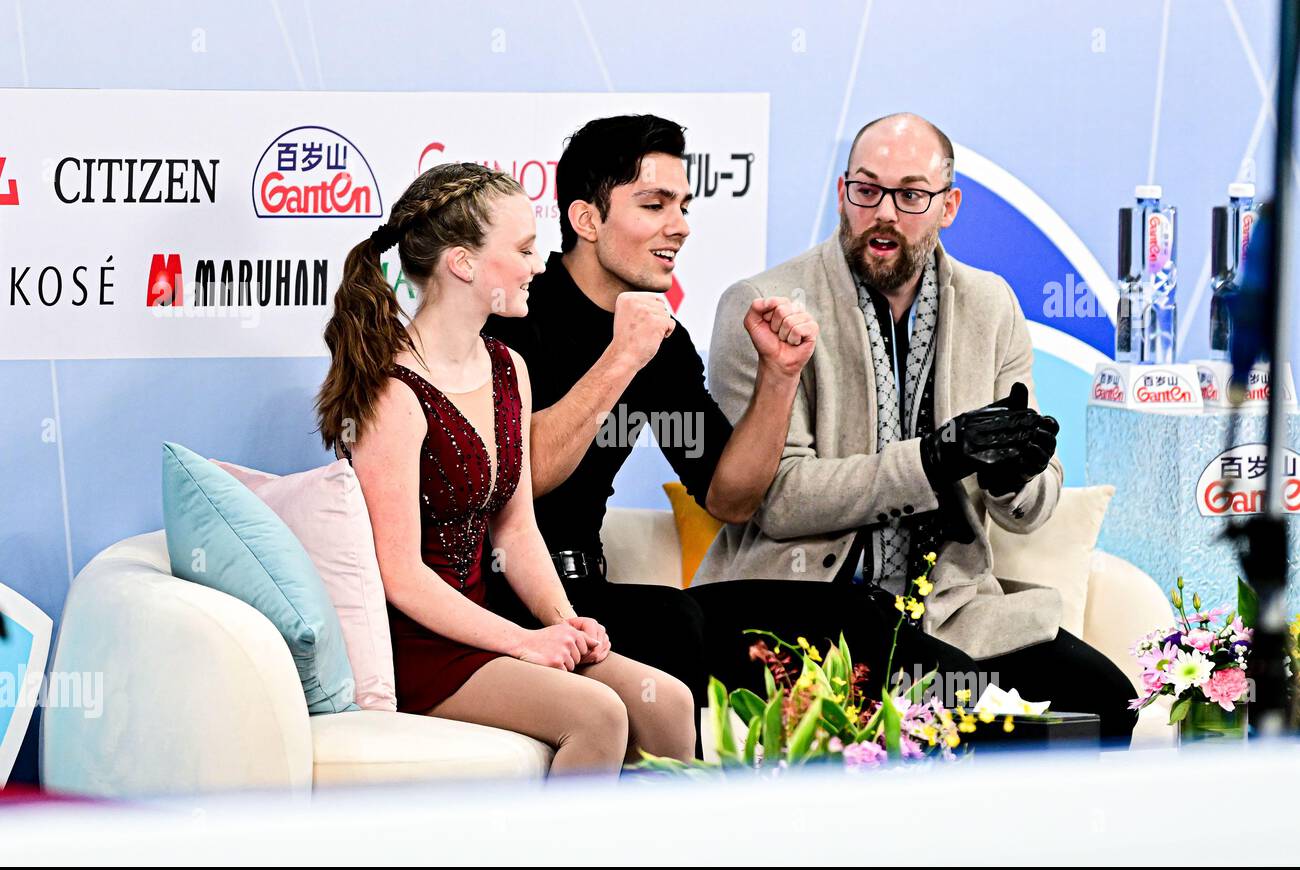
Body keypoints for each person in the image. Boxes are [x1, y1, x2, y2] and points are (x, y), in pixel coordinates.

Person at [690, 113, 1138, 747]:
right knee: (960, 705)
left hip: (950, 608)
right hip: (805, 600)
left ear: (948, 206)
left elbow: (1030, 510)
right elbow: (777, 501)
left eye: (910, 195)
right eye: (867, 190)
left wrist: (1015, 475)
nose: (885, 213)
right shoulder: (765, 304)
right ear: (842, 192)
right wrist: (932, 459)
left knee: (1107, 702)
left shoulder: (992, 305)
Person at [314, 162, 696, 775]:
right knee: (598, 715)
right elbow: (401, 574)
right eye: (522, 249)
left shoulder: (506, 367)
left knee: (670, 705)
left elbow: (516, 530)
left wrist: (565, 621)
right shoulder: (392, 393)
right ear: (463, 264)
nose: (538, 265)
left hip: (488, 623)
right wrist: (523, 642)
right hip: (419, 647)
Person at [482, 115, 821, 726]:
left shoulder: (658, 336)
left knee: (830, 623)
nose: (681, 226)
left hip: (591, 594)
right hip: (502, 598)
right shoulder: (517, 310)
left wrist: (779, 377)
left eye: (683, 205)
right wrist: (622, 356)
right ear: (587, 220)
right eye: (654, 204)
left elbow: (730, 496)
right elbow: (518, 478)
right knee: (678, 622)